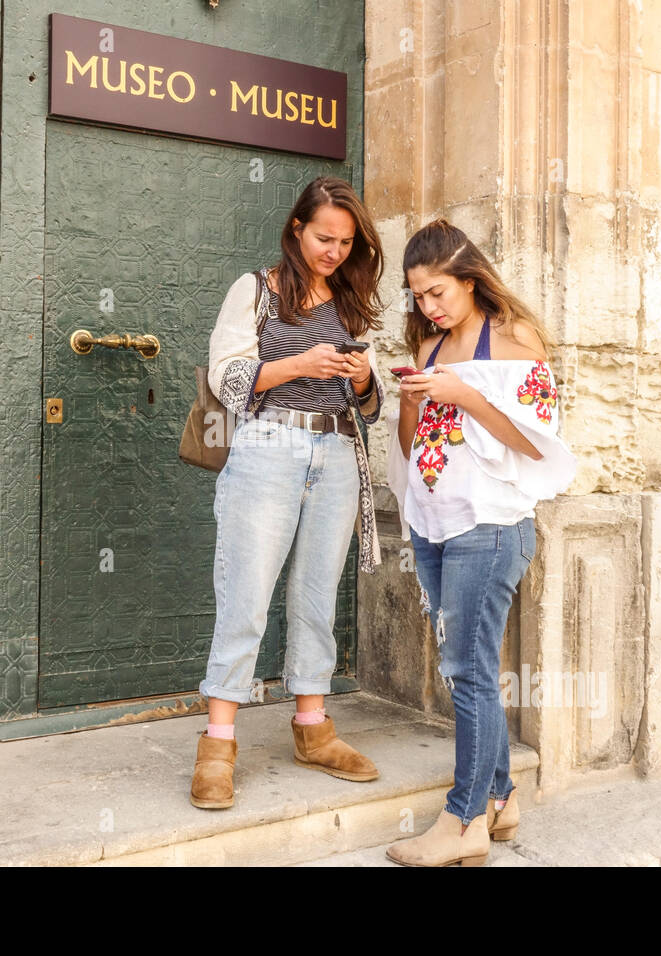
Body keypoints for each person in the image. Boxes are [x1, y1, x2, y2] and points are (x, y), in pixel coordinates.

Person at [382, 218, 577, 865]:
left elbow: (536, 441)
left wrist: (464, 393)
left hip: (490, 529)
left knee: (468, 674)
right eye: (417, 296)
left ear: (470, 280)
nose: (427, 306)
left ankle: (462, 823)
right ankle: (499, 801)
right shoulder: (434, 348)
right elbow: (415, 453)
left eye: (437, 291)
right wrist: (413, 401)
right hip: (435, 527)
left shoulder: (516, 342)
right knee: (470, 671)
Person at [190, 176, 388, 810]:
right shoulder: (254, 290)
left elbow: (373, 405)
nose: (333, 250)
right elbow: (226, 379)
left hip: (335, 453)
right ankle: (218, 743)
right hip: (268, 447)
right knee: (245, 594)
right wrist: (300, 365)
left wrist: (361, 379)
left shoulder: (352, 301)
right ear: (297, 229)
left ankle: (312, 728)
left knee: (315, 597)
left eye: (345, 241)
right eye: (323, 237)